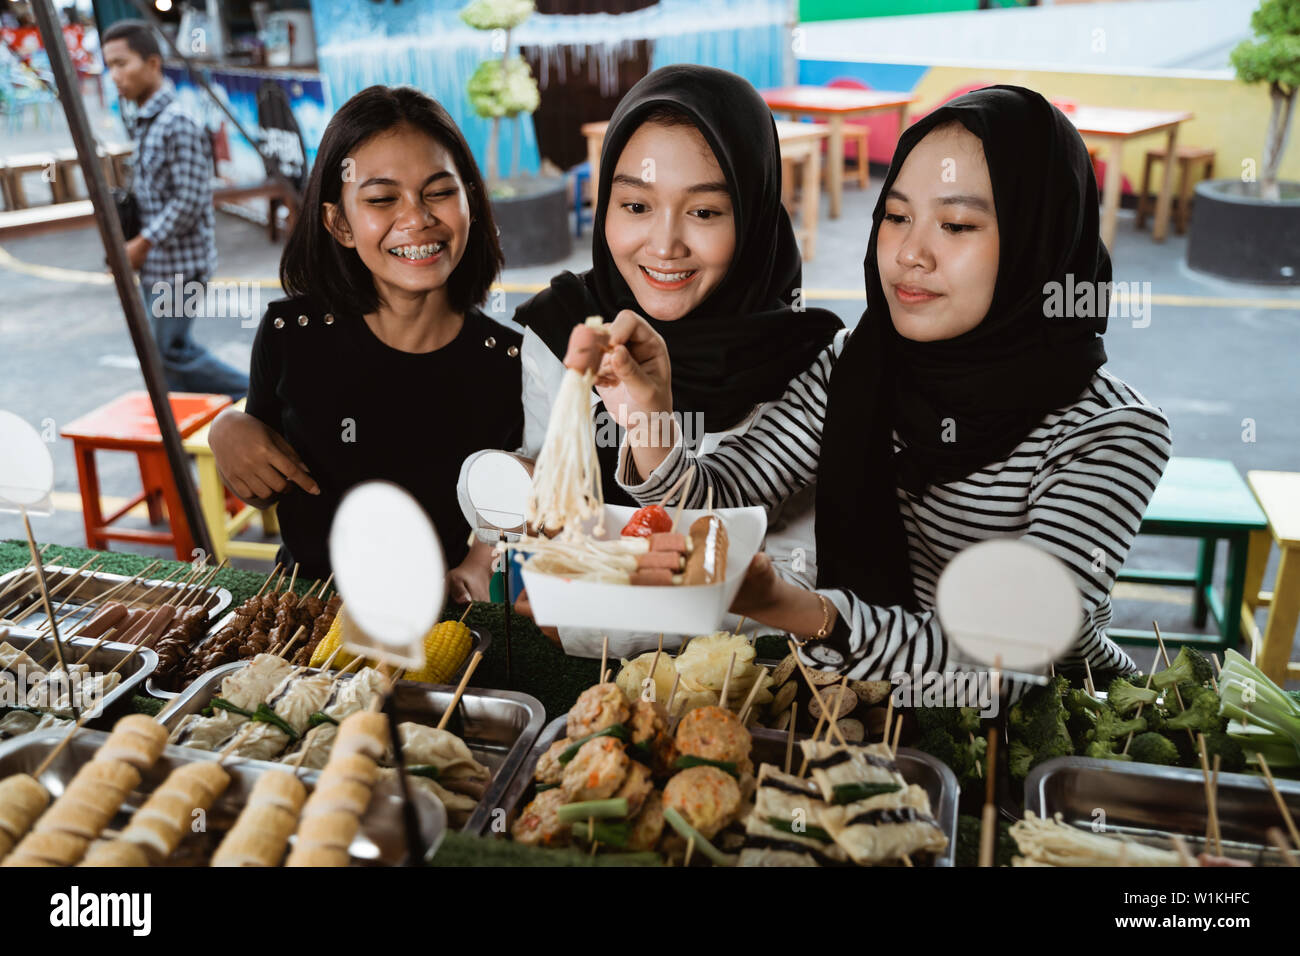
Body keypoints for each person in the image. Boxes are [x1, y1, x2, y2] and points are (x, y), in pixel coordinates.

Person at [598, 85, 1172, 683]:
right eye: (896, 217)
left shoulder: (1111, 431)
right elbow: (721, 504)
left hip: (1046, 726)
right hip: (871, 703)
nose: (909, 254)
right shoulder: (853, 365)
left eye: (955, 224)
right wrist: (648, 414)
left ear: (1038, 240)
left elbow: (1024, 637)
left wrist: (803, 611)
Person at [457, 65, 842, 652]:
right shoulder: (561, 329)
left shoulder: (810, 362)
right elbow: (541, 521)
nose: (664, 246)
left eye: (706, 212)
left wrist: (596, 618)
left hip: (751, 677)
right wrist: (513, 502)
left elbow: (795, 583)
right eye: (635, 206)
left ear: (755, 210)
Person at [208, 86, 523, 590]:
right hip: (301, 614)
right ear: (340, 222)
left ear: (470, 202)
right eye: (381, 199)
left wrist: (478, 566)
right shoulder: (292, 335)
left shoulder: (510, 363)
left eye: (440, 192)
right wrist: (227, 430)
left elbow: (522, 498)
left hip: (432, 621)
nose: (418, 219)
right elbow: (264, 487)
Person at [101, 19, 248, 400]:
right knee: (163, 359)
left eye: (122, 63)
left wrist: (141, 244)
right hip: (161, 264)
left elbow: (191, 198)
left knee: (169, 351)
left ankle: (258, 396)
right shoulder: (146, 120)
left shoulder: (176, 122)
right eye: (109, 66)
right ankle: (187, 436)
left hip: (181, 265)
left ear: (152, 63)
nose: (114, 75)